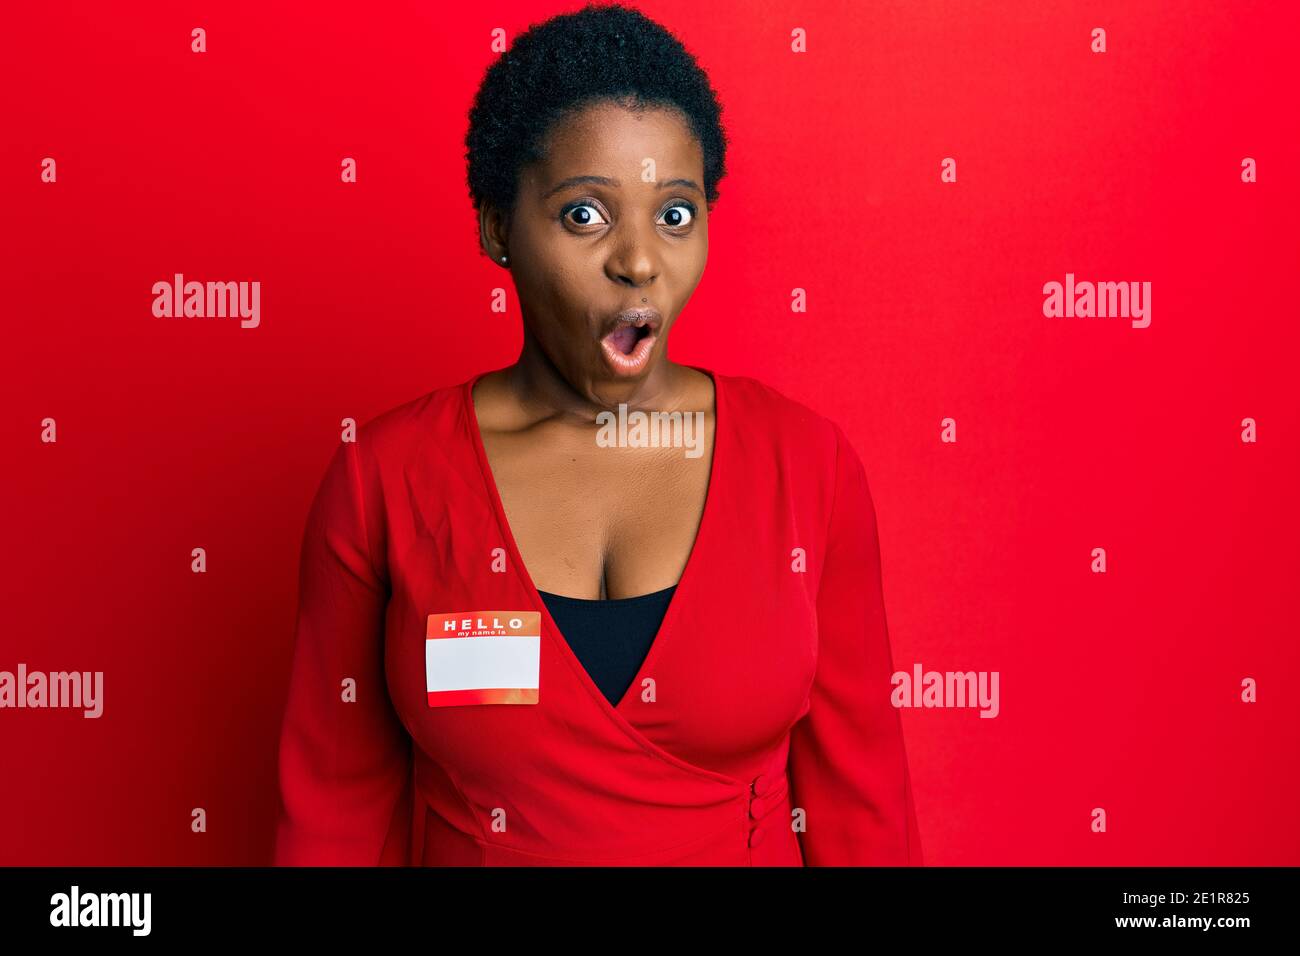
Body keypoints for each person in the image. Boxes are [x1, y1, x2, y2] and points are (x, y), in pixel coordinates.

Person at [273, 1, 922, 866]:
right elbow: (333, 818)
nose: (640, 259)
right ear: (497, 226)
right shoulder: (385, 480)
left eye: (675, 214)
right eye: (586, 214)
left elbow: (862, 813)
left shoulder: (807, 466)